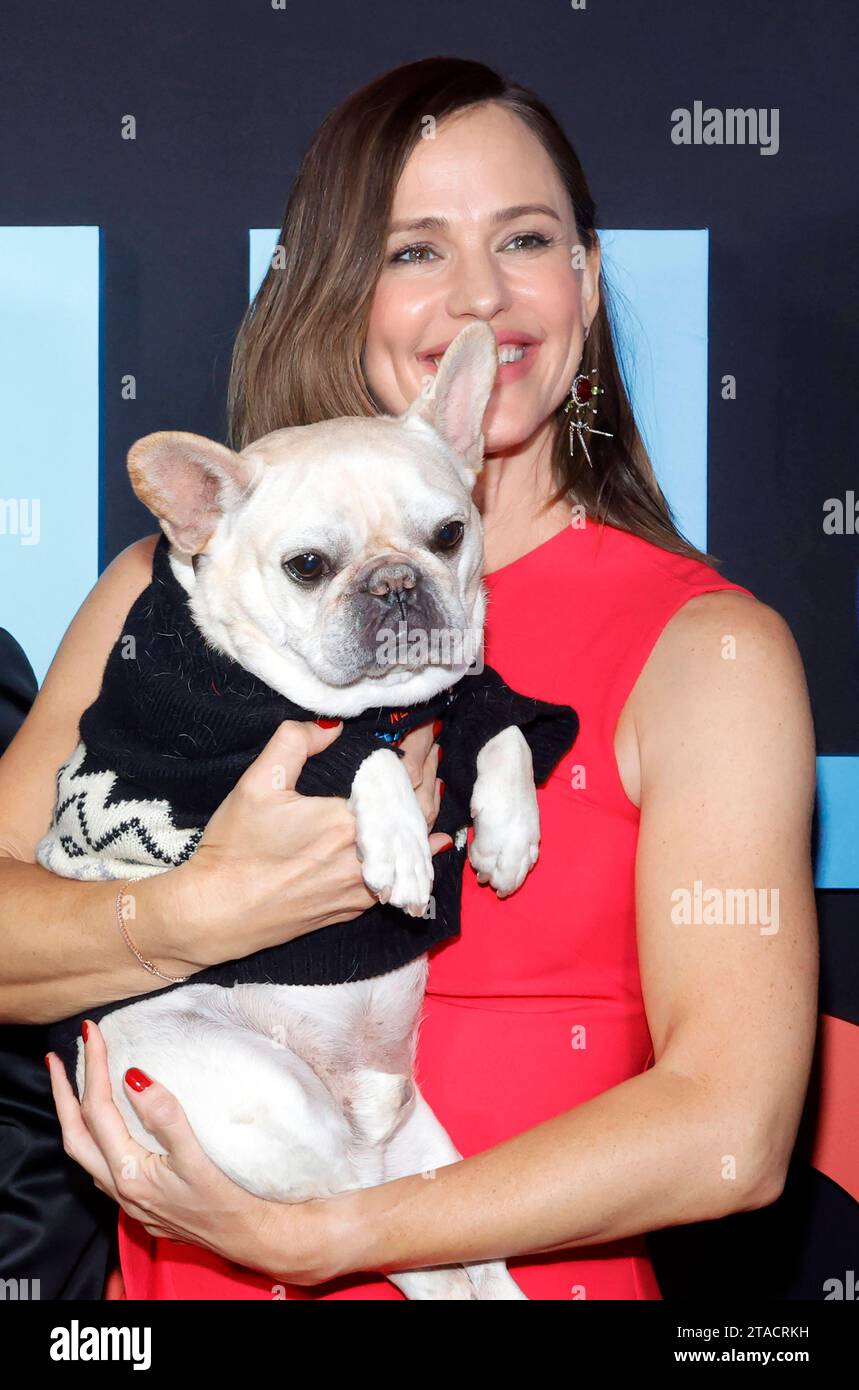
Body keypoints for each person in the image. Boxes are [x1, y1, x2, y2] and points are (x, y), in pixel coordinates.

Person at [6, 56, 817, 1301]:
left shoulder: (704, 650)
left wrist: (335, 1233)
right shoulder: (173, 596)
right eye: (414, 250)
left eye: (527, 238)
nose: (480, 293)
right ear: (336, 289)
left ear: (589, 283)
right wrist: (191, 913)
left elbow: (734, 1128)